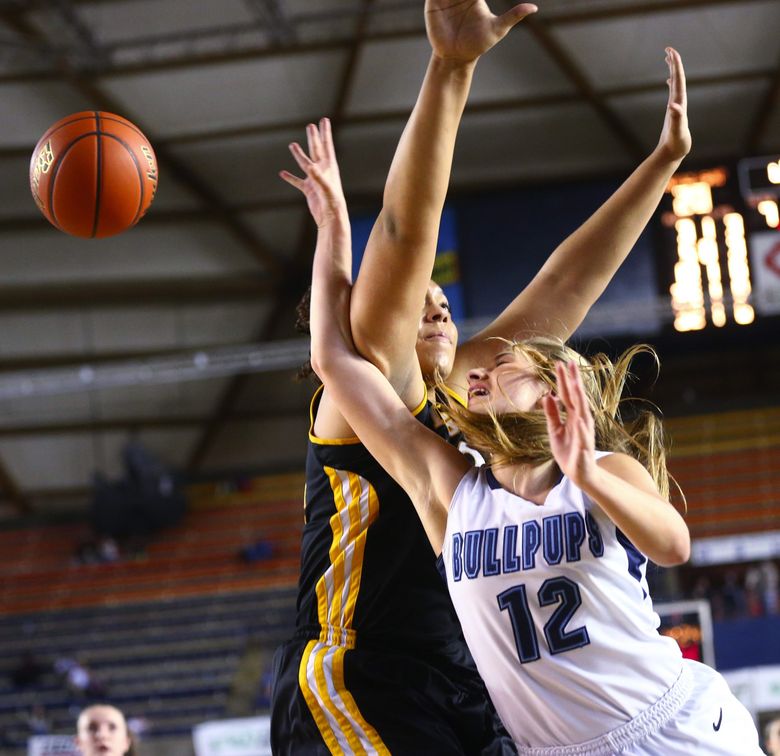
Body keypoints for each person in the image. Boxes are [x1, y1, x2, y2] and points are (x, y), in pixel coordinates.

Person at [273, 11, 693, 751]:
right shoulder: (376, 388)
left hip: (472, 681)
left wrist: (663, 165)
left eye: (445, 304)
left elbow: (566, 283)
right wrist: (451, 68)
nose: (438, 309)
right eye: (420, 302)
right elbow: (403, 233)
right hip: (365, 672)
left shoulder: (479, 394)